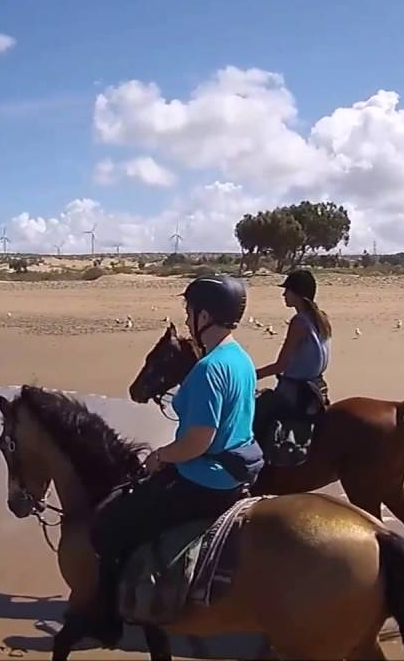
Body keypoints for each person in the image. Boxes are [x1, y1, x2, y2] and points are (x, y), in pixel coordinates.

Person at [86, 274, 262, 647]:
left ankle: (111, 614)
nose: (186, 320)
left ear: (205, 316)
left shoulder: (208, 369)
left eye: (189, 311)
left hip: (204, 480)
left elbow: (199, 441)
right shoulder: (240, 358)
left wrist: (161, 456)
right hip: (235, 474)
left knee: (110, 526)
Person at [253, 269, 332, 457]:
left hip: (294, 391)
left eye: (287, 291)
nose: (283, 295)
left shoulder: (299, 322)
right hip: (316, 387)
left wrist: (250, 375)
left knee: (253, 414)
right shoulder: (322, 318)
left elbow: (280, 366)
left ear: (297, 294)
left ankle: (252, 466)